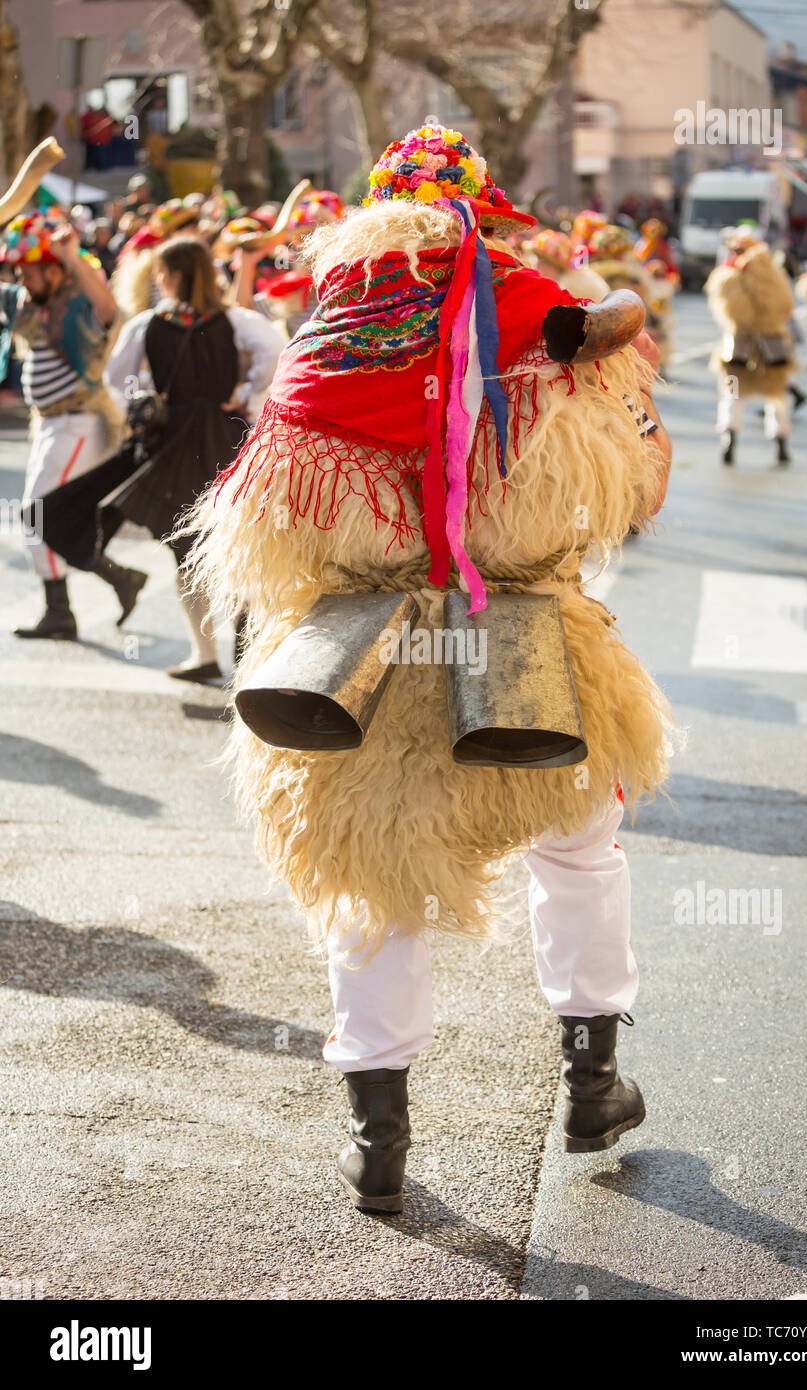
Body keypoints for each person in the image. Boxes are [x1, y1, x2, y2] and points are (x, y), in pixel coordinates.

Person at [185, 123, 674, 1213]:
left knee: (366, 878)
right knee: (581, 848)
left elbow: (266, 531)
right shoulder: (539, 312)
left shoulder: (327, 333)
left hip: (356, 661)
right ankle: (591, 1082)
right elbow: (635, 487)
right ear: (481, 215)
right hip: (530, 639)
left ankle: (377, 1141)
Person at [103, 236, 282, 681]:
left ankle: (203, 655)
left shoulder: (148, 324)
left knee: (185, 544)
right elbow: (277, 353)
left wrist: (144, 399)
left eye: (162, 273)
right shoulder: (236, 320)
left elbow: (117, 377)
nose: (159, 280)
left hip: (175, 440)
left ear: (175, 275)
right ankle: (245, 633)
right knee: (233, 535)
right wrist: (246, 392)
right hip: (226, 434)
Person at [0, 213, 146, 640]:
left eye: (29, 273)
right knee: (49, 515)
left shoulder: (79, 301)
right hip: (50, 426)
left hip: (79, 423)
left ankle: (65, 607)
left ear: (53, 271)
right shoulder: (30, 302)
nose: (22, 280)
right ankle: (113, 581)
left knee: (38, 514)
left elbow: (109, 311)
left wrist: (71, 256)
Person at [705, 225, 796, 467]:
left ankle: (774, 439)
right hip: (748, 341)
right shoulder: (735, 275)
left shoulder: (757, 274)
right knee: (739, 391)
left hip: (757, 340)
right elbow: (784, 306)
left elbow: (781, 306)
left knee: (770, 393)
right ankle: (734, 436)